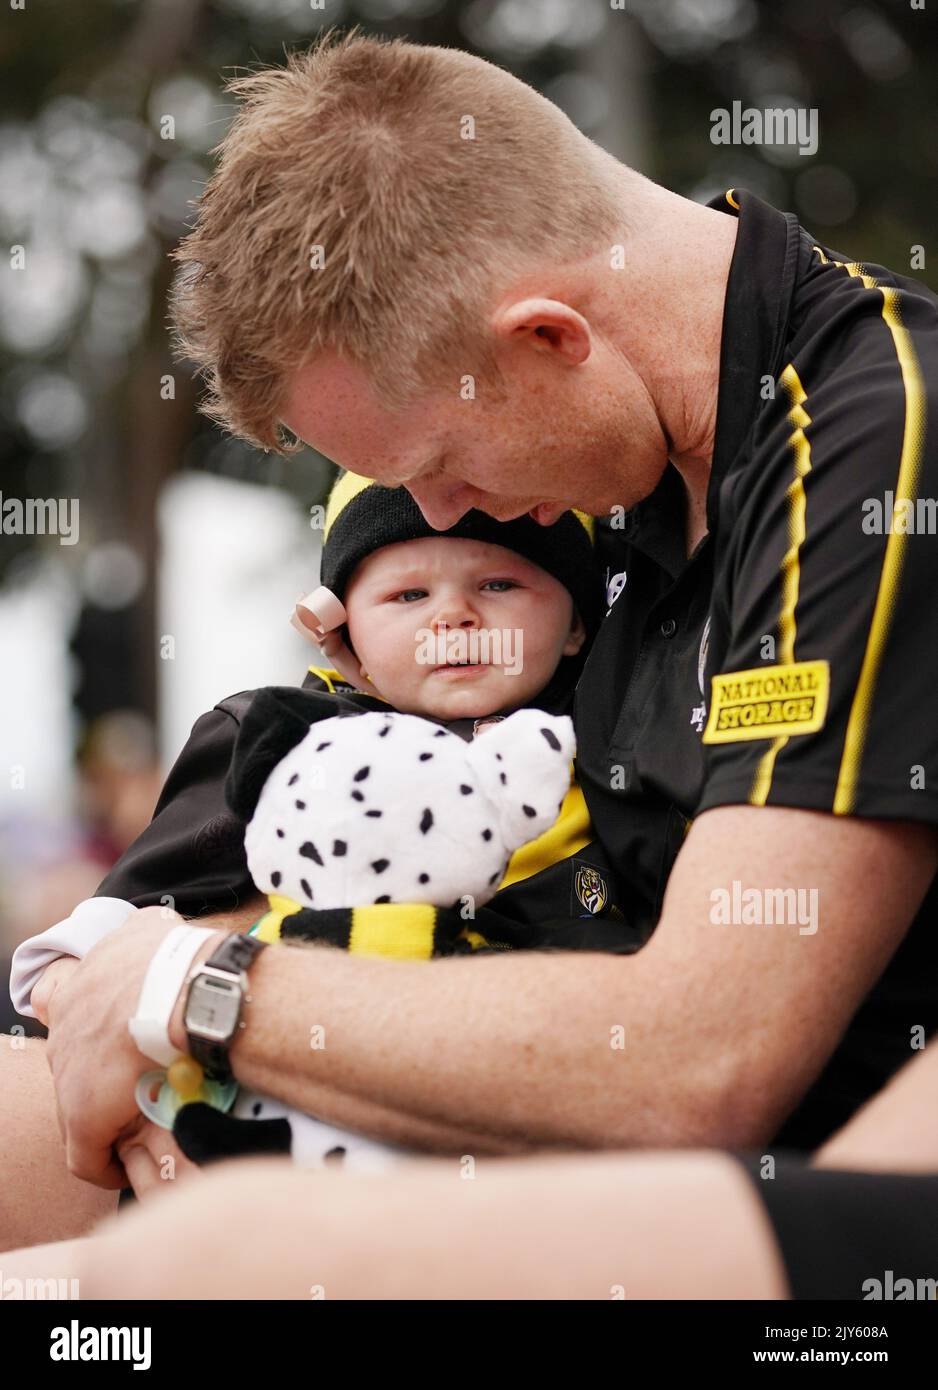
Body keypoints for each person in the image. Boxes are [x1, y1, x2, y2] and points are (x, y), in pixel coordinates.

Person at [3, 31, 938, 1251]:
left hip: (776, 1168)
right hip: (538, 1103)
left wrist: (198, 988)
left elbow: (701, 1059)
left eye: (439, 471)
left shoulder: (872, 445)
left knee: (201, 1268)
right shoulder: (636, 465)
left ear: (548, 337)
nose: (433, 523)